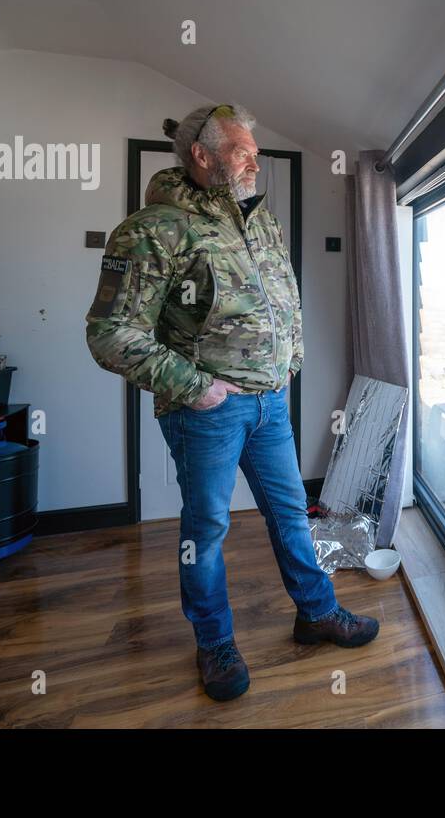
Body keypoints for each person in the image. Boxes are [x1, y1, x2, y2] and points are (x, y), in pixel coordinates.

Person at [85, 103, 378, 702]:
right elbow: (110, 333)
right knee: (208, 529)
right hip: (207, 413)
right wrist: (198, 388)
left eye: (254, 148)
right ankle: (215, 644)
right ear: (202, 155)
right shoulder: (150, 231)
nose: (255, 159)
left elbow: (283, 299)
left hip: (272, 405)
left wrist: (289, 363)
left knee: (292, 512)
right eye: (243, 149)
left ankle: (315, 613)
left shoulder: (257, 219)